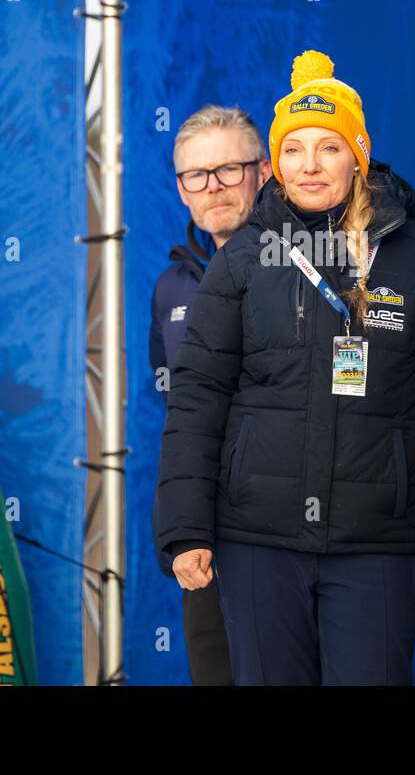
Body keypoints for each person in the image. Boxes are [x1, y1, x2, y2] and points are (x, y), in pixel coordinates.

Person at [155, 50, 415, 685]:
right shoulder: (242, 261)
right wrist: (183, 529)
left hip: (373, 543)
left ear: (358, 156)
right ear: (275, 165)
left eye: (329, 147)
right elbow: (196, 398)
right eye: (294, 150)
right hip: (257, 540)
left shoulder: (414, 255)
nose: (309, 166)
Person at [150, 104, 270, 686]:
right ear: (181, 190)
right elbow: (177, 406)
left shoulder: (303, 264)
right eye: (197, 175)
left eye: (229, 169)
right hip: (207, 535)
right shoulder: (170, 287)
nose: (214, 187)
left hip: (286, 528)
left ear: (263, 172)